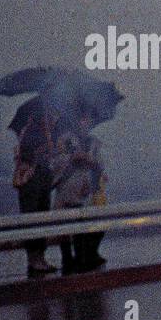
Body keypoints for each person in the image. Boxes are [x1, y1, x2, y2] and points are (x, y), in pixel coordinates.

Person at [52, 109, 106, 273]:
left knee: (82, 225)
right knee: (64, 227)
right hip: (66, 188)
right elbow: (55, 163)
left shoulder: (94, 142)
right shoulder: (64, 140)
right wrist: (71, 159)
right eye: (81, 120)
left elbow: (101, 165)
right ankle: (67, 259)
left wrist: (92, 161)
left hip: (85, 188)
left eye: (87, 120)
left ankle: (82, 258)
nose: (85, 123)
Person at [13, 110, 59, 277]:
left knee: (42, 216)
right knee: (33, 217)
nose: (55, 119)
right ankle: (34, 258)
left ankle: (40, 256)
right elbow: (25, 156)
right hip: (31, 180)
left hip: (43, 179)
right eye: (53, 116)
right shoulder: (30, 133)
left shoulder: (48, 134)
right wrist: (43, 149)